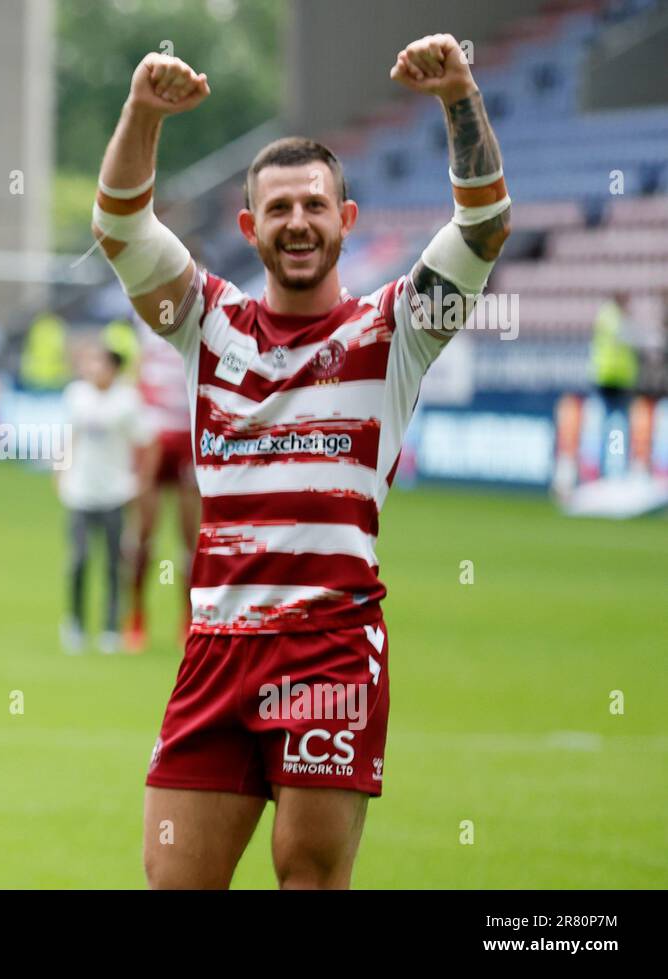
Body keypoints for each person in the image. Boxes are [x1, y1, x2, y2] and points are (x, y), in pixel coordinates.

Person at [92, 37, 510, 888]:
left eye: (314, 205)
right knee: (173, 877)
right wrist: (142, 111)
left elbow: (484, 224)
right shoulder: (208, 323)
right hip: (215, 648)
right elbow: (120, 225)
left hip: (327, 650)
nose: (296, 223)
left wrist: (459, 95)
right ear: (249, 226)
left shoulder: (395, 331)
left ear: (345, 220)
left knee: (308, 878)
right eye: (277, 208)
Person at [58, 342, 147, 654]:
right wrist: (62, 473)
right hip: (80, 492)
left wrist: (139, 481)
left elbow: (147, 441)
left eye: (100, 362)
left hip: (115, 493)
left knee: (114, 563)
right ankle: (75, 624)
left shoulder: (128, 400)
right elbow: (68, 436)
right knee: (79, 559)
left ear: (114, 368)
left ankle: (111, 627)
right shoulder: (76, 395)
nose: (93, 367)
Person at [125, 316, 200, 652]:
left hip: (187, 439)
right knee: (143, 534)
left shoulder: (201, 319)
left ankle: (189, 619)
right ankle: (136, 614)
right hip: (152, 437)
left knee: (192, 540)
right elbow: (137, 373)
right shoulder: (146, 317)